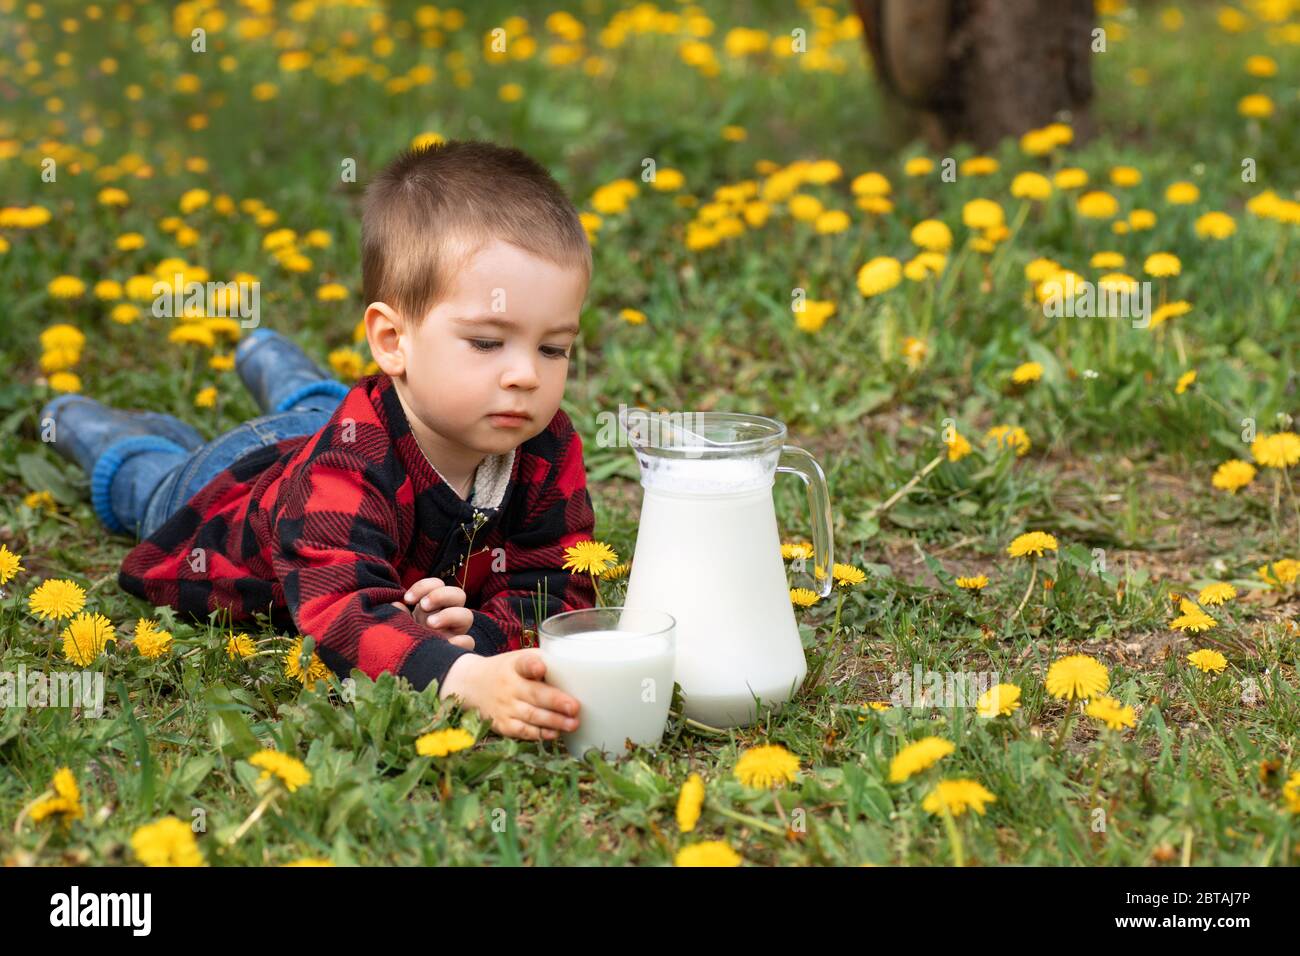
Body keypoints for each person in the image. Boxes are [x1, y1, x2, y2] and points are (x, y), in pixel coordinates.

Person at [41, 140, 599, 743]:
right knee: (156, 484)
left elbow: (553, 580)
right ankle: (87, 425)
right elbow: (342, 608)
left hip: (325, 426)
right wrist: (459, 676)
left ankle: (278, 365)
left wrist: (484, 642)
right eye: (488, 342)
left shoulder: (543, 444)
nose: (527, 375)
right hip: (231, 485)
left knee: (318, 413)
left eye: (553, 347)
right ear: (391, 341)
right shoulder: (346, 469)